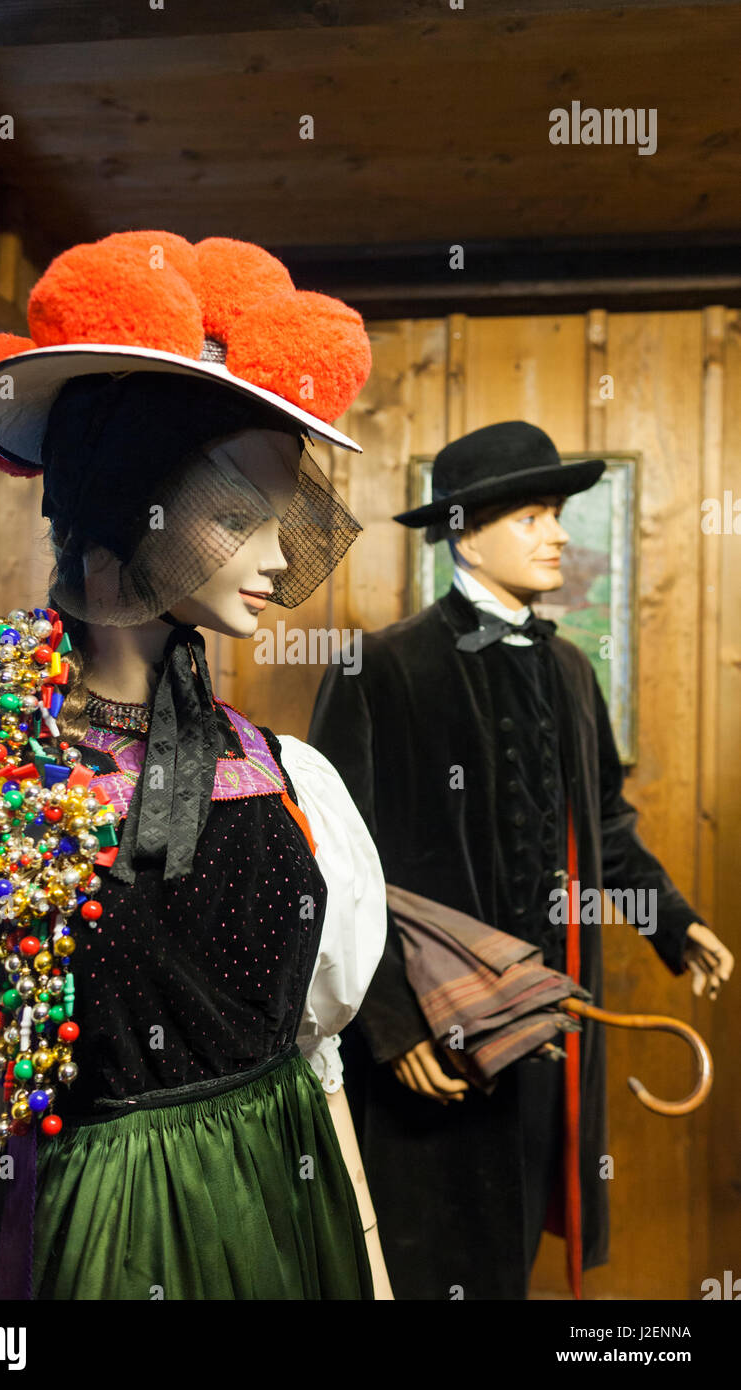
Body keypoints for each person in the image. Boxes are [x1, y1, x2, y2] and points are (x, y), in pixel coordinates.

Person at [0, 229, 393, 1300]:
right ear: (124, 510)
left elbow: (314, 1057)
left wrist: (372, 1263)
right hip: (99, 1248)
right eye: (237, 516)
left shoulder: (289, 781)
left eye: (281, 515)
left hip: (294, 1225)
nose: (276, 556)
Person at [308, 420, 733, 1300]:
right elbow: (334, 868)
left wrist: (675, 921)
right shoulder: (376, 667)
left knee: (512, 1258)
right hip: (431, 1039)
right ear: (464, 528)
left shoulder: (572, 671)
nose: (560, 534)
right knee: (426, 1256)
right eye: (535, 514)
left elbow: (604, 828)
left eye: (560, 513)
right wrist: (391, 1026)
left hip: (543, 1033)